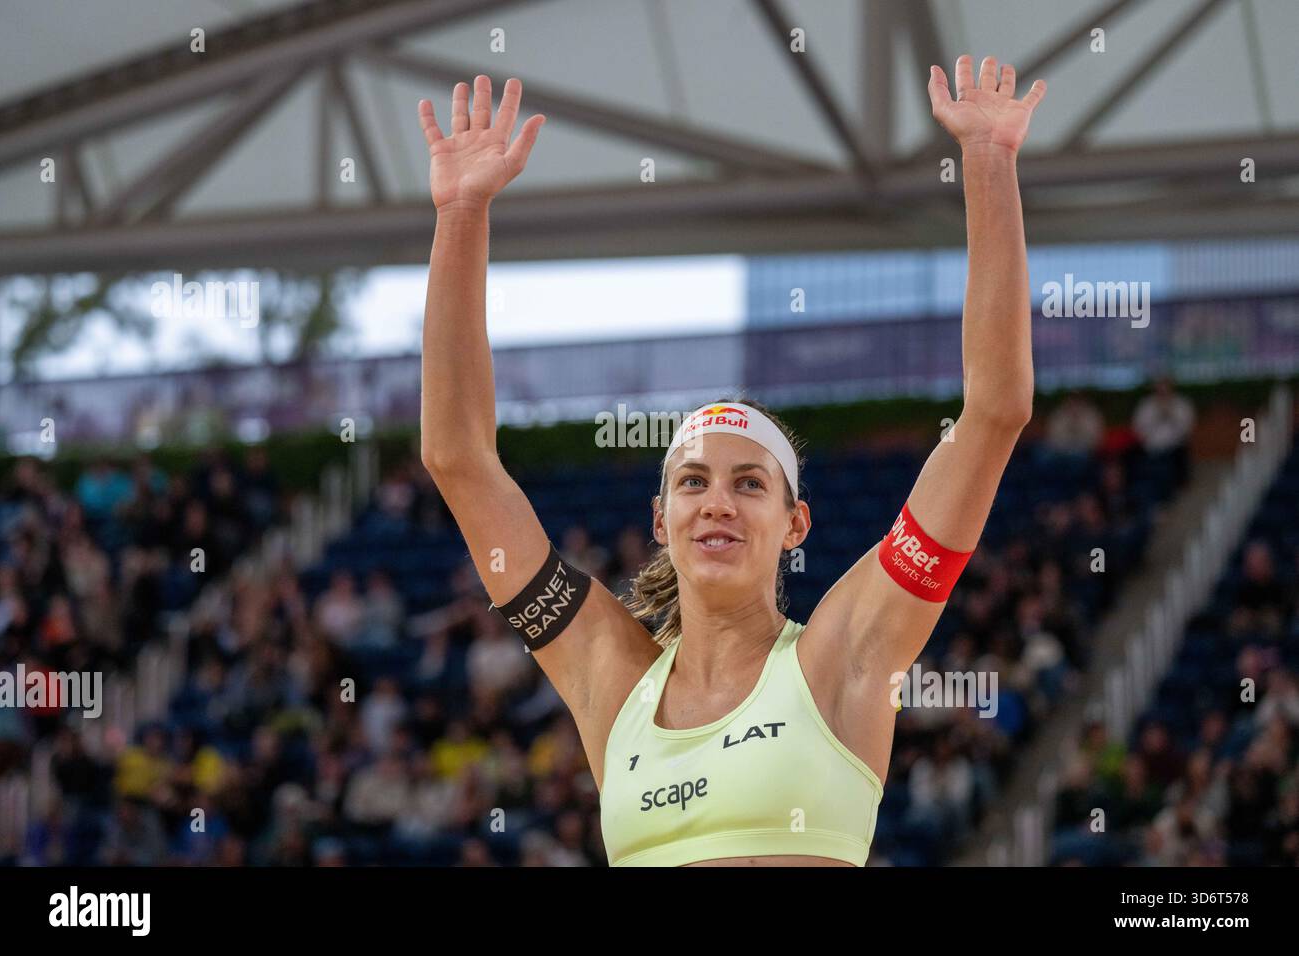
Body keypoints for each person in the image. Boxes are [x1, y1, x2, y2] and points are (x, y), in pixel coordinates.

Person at [416, 57, 1047, 866]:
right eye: (693, 482)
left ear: (795, 525)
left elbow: (995, 412)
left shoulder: (843, 655)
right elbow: (458, 460)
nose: (717, 502)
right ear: (661, 519)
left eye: (750, 484)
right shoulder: (612, 680)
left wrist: (989, 159)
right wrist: (462, 211)